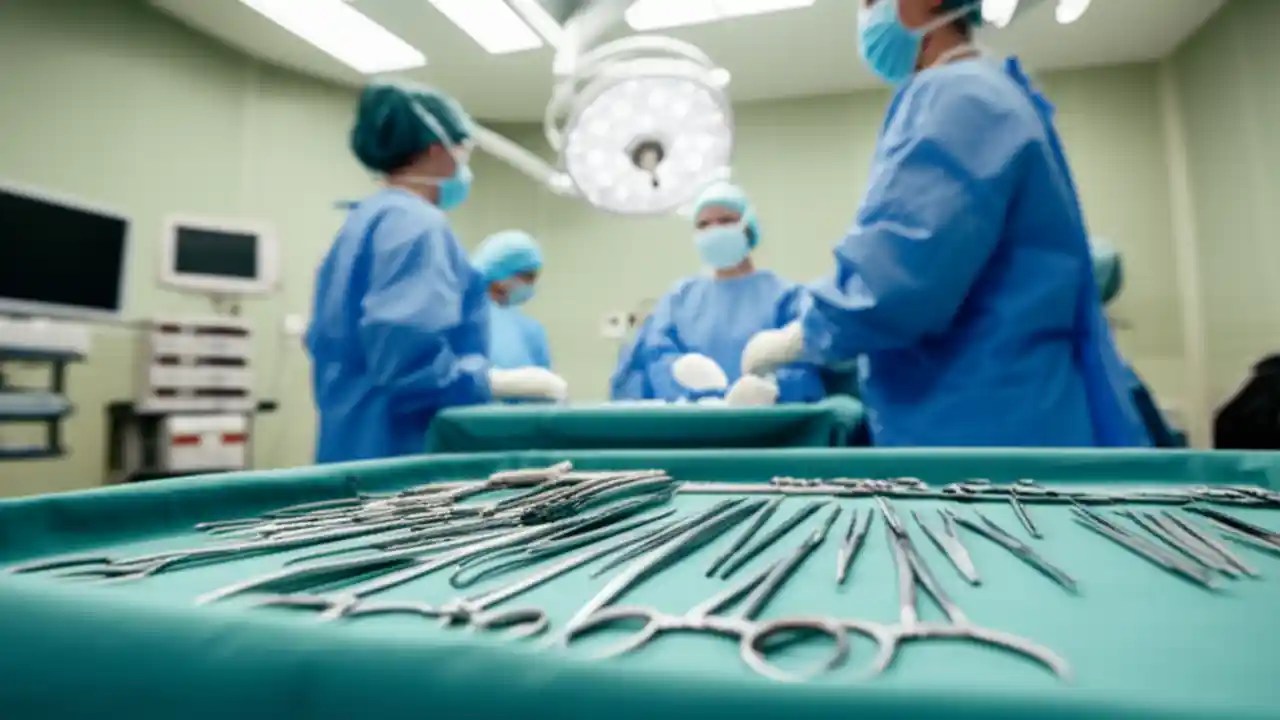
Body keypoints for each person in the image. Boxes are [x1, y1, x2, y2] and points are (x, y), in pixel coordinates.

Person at [742, 0, 1146, 447]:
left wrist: (802, 334)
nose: (864, 17)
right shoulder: (994, 91)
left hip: (981, 431)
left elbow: (901, 270)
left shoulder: (957, 97)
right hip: (1014, 416)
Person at [306, 82, 566, 464]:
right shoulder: (417, 225)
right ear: (436, 150)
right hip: (396, 457)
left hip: (351, 444)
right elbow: (405, 356)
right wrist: (491, 381)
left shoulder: (364, 221)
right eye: (462, 149)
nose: (464, 162)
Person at [627, 182, 826, 404]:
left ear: (748, 227)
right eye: (703, 225)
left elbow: (804, 363)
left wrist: (771, 389)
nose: (714, 230)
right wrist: (684, 379)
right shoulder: (678, 300)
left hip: (768, 428)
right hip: (696, 427)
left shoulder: (786, 296)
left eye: (725, 221)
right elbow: (656, 360)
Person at [472, 230, 552, 370]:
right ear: (500, 272)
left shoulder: (529, 330)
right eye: (528, 278)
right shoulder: (461, 321)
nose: (531, 286)